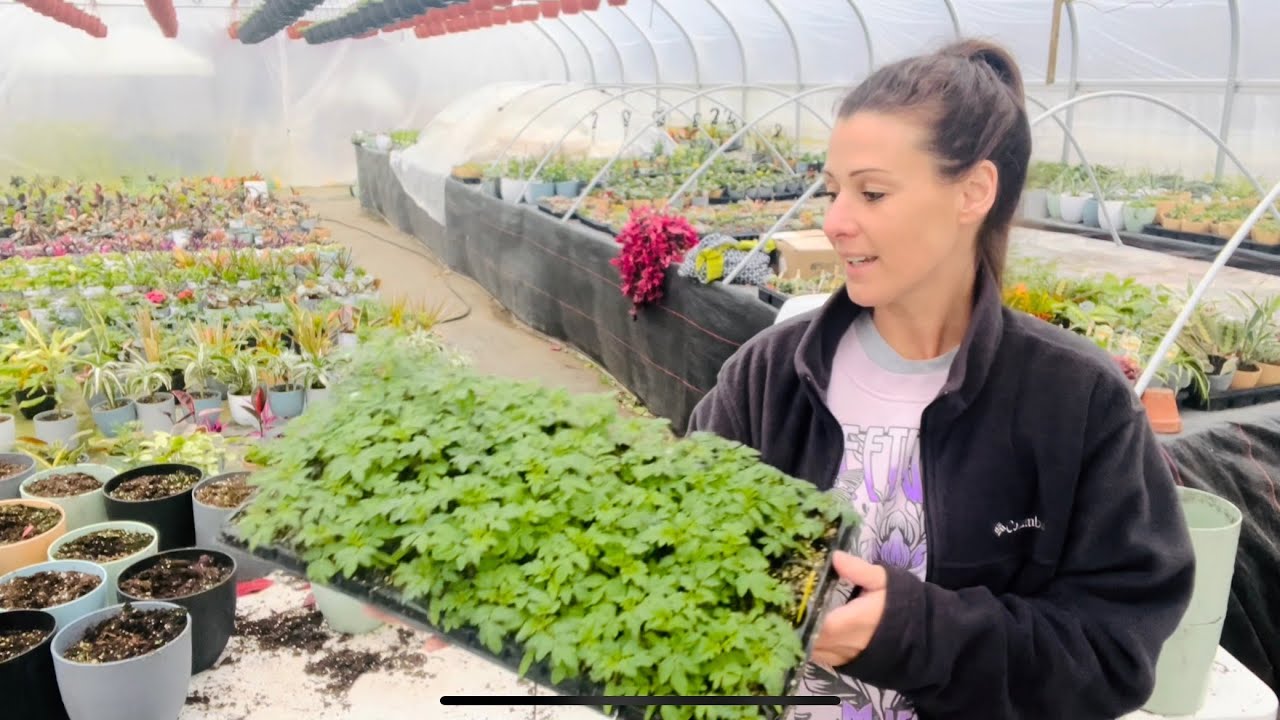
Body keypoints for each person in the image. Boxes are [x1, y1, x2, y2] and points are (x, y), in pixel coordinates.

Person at [686, 39, 1196, 720]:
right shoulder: (768, 376)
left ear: (974, 192)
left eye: (872, 192)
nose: (835, 222)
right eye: (833, 190)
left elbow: (1110, 655)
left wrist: (917, 633)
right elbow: (686, 552)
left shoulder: (1077, 402)